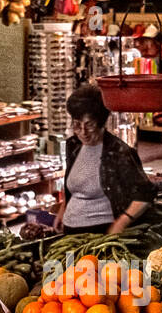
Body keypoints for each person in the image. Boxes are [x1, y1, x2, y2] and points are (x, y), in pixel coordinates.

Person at [55, 84, 155, 235]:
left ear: (101, 122)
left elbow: (145, 194)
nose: (83, 132)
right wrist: (63, 211)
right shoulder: (73, 145)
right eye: (77, 125)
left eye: (89, 125)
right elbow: (73, 187)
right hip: (70, 231)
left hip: (101, 234)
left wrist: (121, 223)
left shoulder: (118, 152)